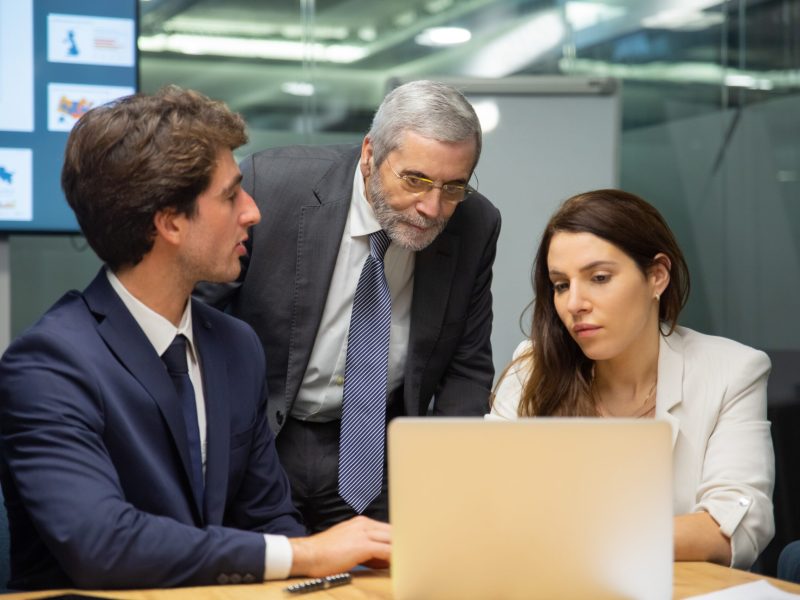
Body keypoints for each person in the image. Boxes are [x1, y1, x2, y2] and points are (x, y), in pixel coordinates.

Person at [0, 86, 390, 591]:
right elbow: (102, 543)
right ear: (170, 223)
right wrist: (306, 551)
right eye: (231, 195)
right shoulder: (48, 366)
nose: (253, 211)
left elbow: (270, 518)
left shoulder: (235, 346)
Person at [196, 80, 501, 531]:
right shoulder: (272, 186)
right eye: (415, 180)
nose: (433, 208)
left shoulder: (475, 224)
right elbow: (198, 315)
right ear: (369, 154)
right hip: (261, 437)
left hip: (374, 452)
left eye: (453, 187)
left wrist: (444, 483)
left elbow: (466, 367)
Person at [489, 189, 774, 570]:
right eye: (561, 284)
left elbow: (738, 525)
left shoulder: (732, 371)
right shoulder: (532, 367)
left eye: (599, 277)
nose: (574, 303)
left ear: (657, 276)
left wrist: (588, 538)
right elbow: (486, 498)